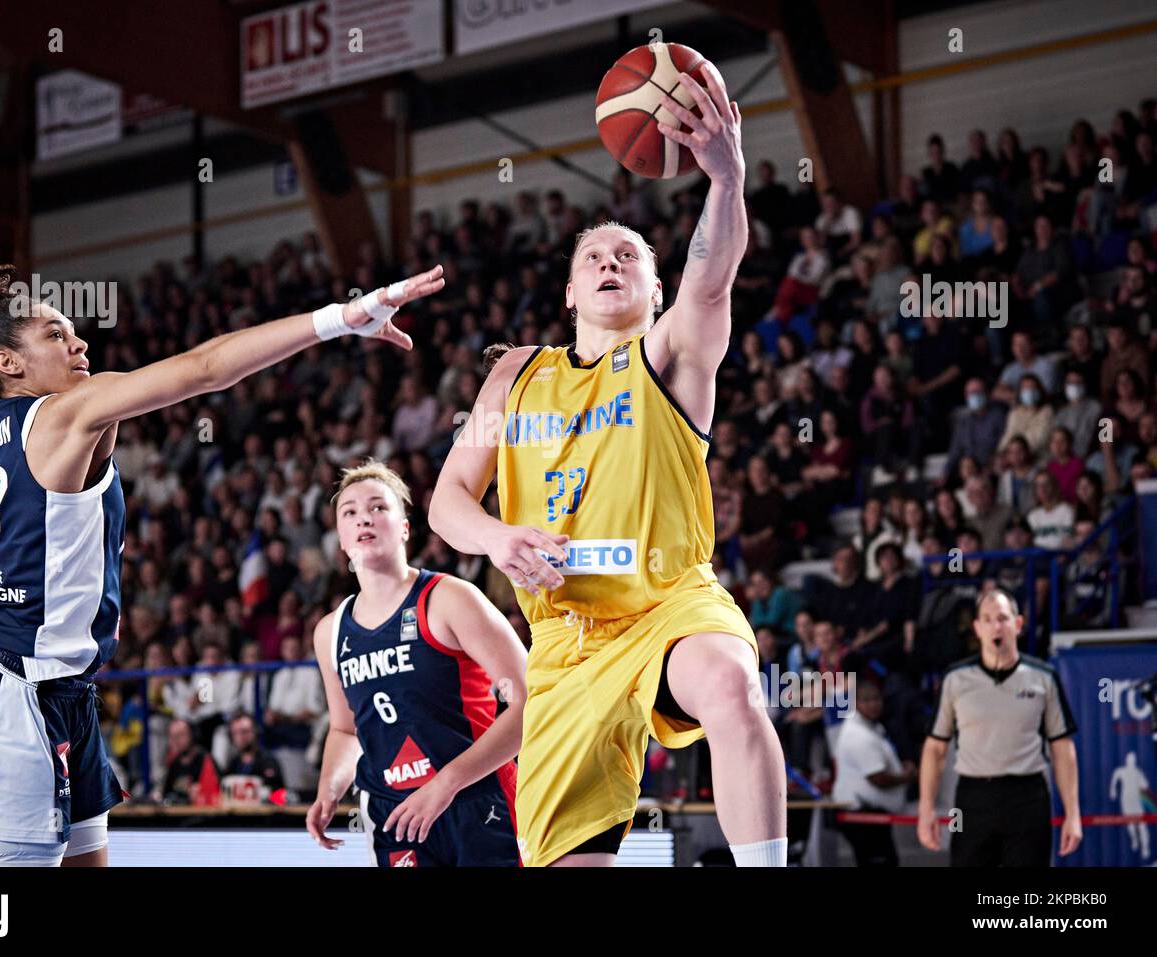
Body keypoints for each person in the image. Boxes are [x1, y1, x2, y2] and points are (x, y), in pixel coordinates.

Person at [0, 262, 443, 867]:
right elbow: (206, 368)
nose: (78, 341)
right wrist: (338, 319)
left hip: (67, 691)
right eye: (55, 335)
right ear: (10, 364)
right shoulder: (66, 413)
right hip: (15, 690)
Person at [431, 64, 787, 869]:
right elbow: (448, 500)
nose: (611, 263)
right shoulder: (515, 372)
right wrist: (495, 537)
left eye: (629, 254)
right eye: (595, 254)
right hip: (562, 638)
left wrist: (726, 180)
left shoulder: (672, 354)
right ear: (569, 289)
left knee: (731, 686)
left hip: (666, 601)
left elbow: (712, 276)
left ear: (655, 290)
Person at [307, 462, 526, 867]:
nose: (364, 518)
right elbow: (344, 727)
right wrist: (329, 790)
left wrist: (446, 784)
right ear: (339, 538)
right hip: (397, 813)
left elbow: (532, 703)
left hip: (478, 799)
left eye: (378, 507)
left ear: (405, 527)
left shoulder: (449, 598)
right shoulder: (330, 632)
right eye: (349, 512)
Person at [917, 588, 1083, 866]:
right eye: (988, 619)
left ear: (1018, 625)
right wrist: (926, 809)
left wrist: (1073, 813)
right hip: (972, 797)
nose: (997, 626)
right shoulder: (956, 680)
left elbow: (1062, 747)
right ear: (977, 628)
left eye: (1003, 618)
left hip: (1028, 796)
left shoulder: (1043, 678)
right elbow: (935, 747)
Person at [831, 678, 915, 866]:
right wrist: (907, 776)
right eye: (866, 700)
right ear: (855, 703)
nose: (873, 705)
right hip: (861, 814)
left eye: (876, 699)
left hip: (869, 814)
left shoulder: (871, 727)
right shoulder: (858, 735)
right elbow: (878, 778)